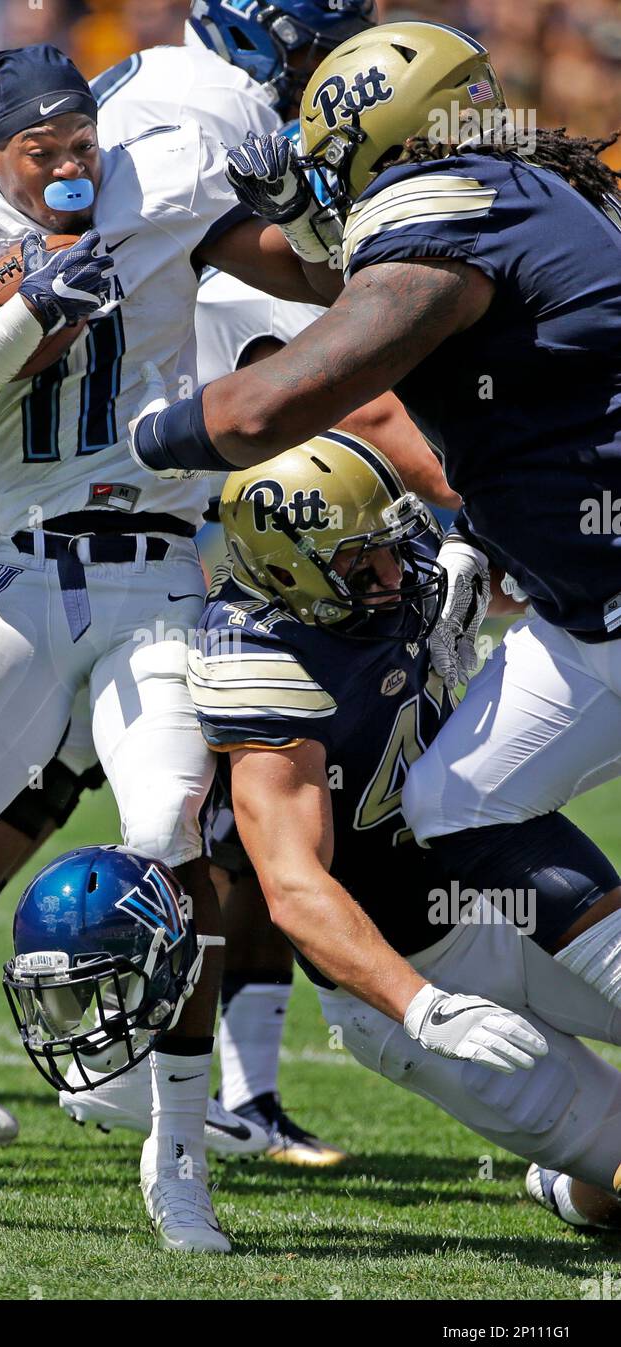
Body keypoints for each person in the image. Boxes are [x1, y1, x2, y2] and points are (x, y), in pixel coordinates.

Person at [0, 41, 343, 1247]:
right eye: (40, 151)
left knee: (171, 846)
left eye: (82, 142)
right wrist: (28, 314)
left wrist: (302, 202)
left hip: (158, 578)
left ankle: (178, 1156)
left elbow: (321, 282)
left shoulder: (166, 182)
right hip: (22, 576)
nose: (70, 167)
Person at [128, 18, 621, 1027]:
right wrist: (214, 229)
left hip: (605, 594)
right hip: (582, 611)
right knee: (456, 805)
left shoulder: (446, 210)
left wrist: (143, 436)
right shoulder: (511, 190)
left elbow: (268, 407)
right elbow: (348, 283)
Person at [188, 432, 621, 1231]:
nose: (394, 573)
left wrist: (478, 556)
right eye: (363, 564)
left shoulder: (392, 553)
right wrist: (421, 1007)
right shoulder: (257, 655)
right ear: (288, 570)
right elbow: (292, 886)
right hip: (405, 977)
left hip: (506, 891)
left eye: (393, 546)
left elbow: (508, 560)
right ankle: (573, 1189)